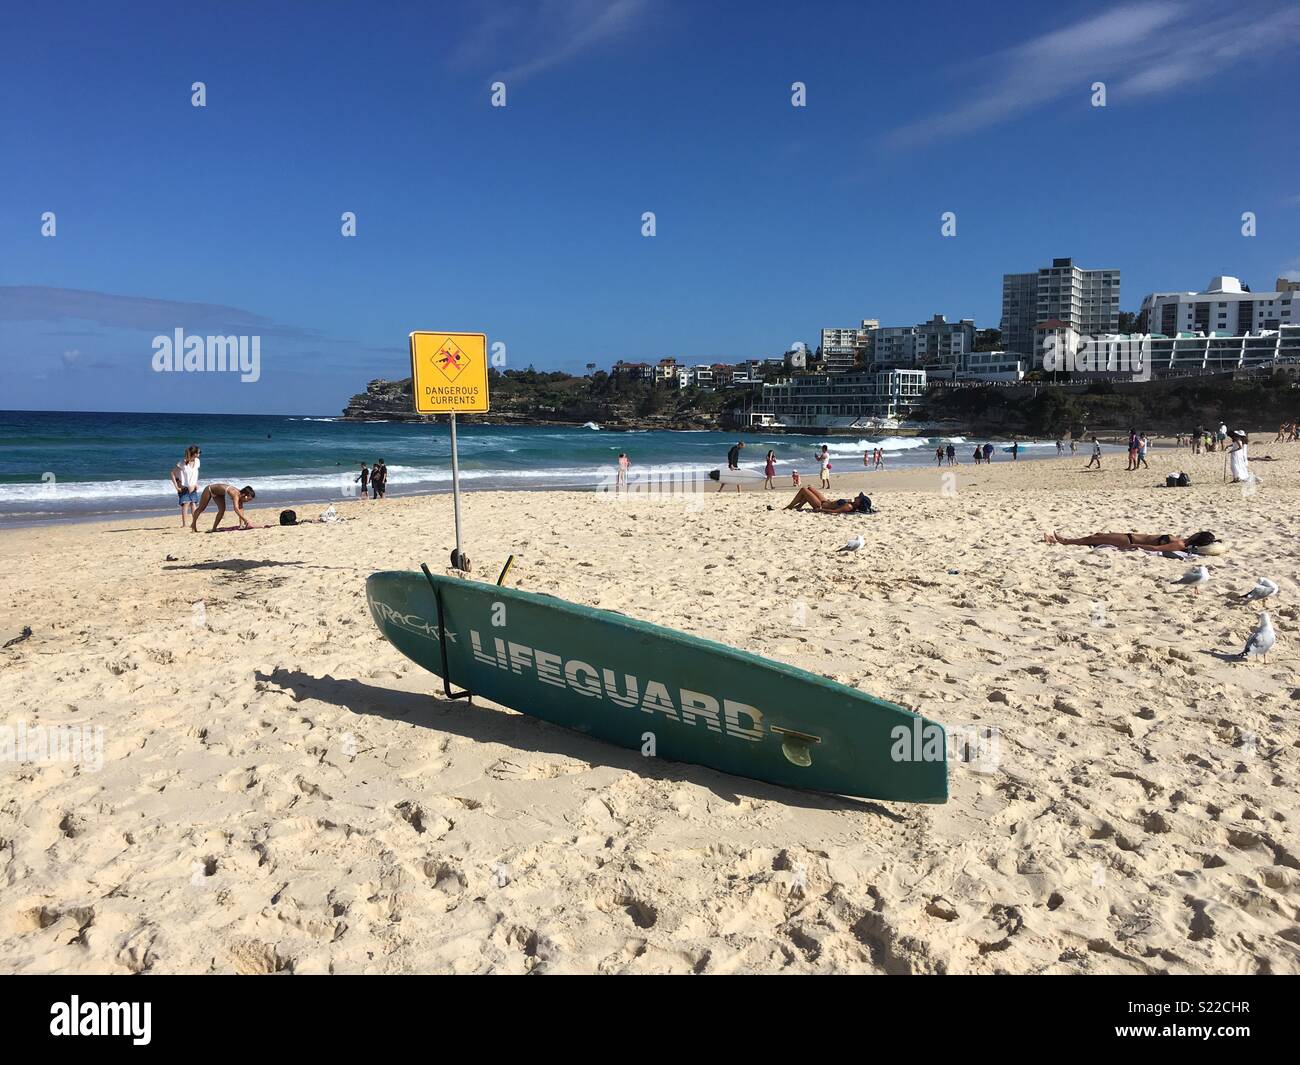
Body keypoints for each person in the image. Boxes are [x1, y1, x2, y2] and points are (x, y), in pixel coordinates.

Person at [1043, 529, 1218, 553]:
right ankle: (1056, 540)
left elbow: (1157, 548)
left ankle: (1064, 541)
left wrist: (1136, 545)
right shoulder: (1183, 541)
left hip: (1130, 540)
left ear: (1197, 536)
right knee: (1097, 537)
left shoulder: (1179, 544)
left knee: (1094, 538)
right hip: (1129, 537)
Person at [191, 484, 256, 532]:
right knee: (201, 508)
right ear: (245, 496)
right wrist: (246, 520)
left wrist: (241, 525)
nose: (248, 501)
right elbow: (236, 509)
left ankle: (214, 528)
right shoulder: (235, 493)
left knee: (222, 510)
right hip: (209, 489)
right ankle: (193, 525)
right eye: (248, 499)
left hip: (219, 494)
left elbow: (241, 509)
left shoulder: (240, 496)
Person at [170, 445, 201, 527]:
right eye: (199, 452)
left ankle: (194, 523)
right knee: (185, 505)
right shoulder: (182, 462)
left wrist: (196, 483)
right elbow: (172, 473)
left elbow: (194, 473)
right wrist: (176, 486)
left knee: (193, 504)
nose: (199, 454)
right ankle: (184, 525)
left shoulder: (197, 461)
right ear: (194, 453)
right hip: (184, 487)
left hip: (193, 487)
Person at [783, 487, 873, 514]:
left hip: (820, 505)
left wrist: (821, 509)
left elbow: (835, 511)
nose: (857, 496)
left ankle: (790, 506)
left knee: (804, 490)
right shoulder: (851, 503)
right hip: (826, 501)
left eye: (859, 497)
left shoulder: (849, 506)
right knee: (810, 488)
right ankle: (799, 506)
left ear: (859, 502)